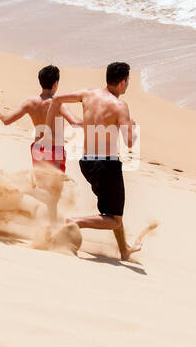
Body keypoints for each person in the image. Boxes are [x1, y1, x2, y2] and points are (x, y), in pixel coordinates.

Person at [48, 61, 145, 261]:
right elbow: (129, 142)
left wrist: (55, 127)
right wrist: (131, 125)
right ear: (121, 82)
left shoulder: (88, 93)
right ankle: (73, 221)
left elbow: (56, 99)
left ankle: (124, 250)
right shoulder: (120, 106)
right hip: (107, 165)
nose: (127, 85)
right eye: (127, 81)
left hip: (86, 162)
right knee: (113, 220)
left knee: (114, 210)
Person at [0, 64, 81, 221]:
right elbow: (75, 123)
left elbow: (6, 119)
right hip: (54, 151)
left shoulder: (30, 103)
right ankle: (22, 187)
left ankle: (52, 227)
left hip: (37, 149)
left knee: (49, 193)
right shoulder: (58, 103)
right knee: (54, 195)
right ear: (56, 84)